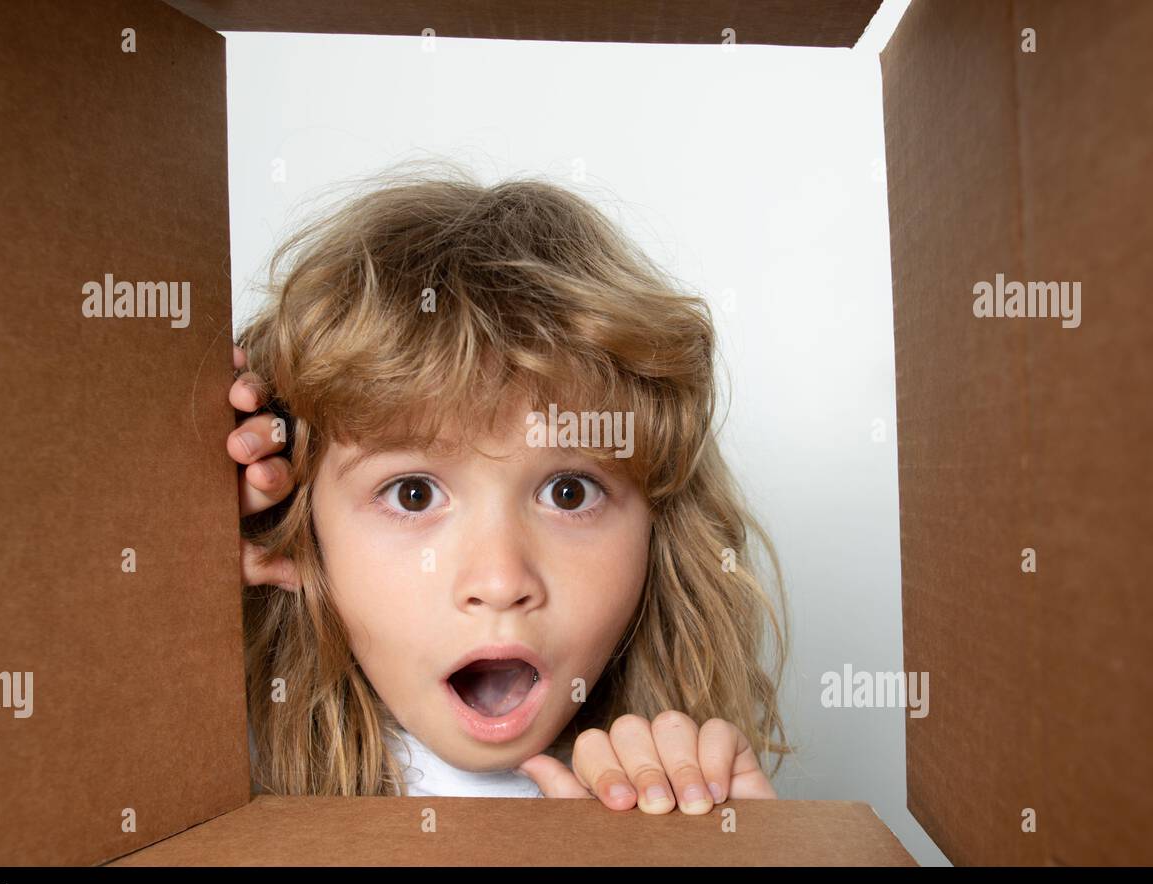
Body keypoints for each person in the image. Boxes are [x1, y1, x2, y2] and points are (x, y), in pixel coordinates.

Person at [226, 160, 792, 812]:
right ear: (301, 533)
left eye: (570, 493)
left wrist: (745, 848)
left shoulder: (688, 799)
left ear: (657, 531)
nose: (499, 581)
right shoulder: (213, 774)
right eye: (413, 494)